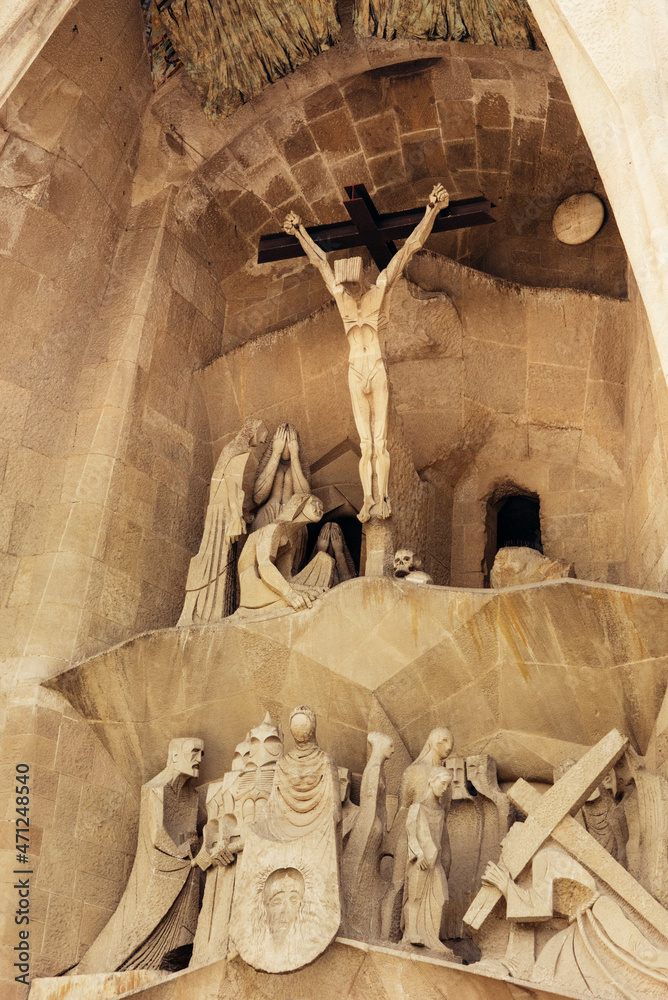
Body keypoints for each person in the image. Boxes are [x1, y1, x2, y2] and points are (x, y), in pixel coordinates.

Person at [284, 184, 450, 524]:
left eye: (350, 285)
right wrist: (299, 231)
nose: (346, 291)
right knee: (364, 441)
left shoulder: (379, 291)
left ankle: (383, 498)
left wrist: (431, 210)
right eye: (344, 288)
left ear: (361, 279)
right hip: (355, 371)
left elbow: (410, 248)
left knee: (379, 441)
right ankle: (368, 500)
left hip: (375, 368)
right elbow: (319, 261)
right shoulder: (342, 298)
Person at [73, 738, 224, 974]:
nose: (199, 759)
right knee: (143, 921)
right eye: (193, 752)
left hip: (185, 872)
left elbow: (188, 834)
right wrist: (188, 855)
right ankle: (118, 965)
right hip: (161, 873)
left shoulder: (192, 796)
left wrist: (196, 849)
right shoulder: (155, 789)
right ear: (174, 756)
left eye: (202, 753)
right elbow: (158, 837)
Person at [380, 726, 454, 941]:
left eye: (451, 743)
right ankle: (391, 934)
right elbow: (404, 806)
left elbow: (445, 812)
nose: (448, 747)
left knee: (439, 881)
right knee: (401, 885)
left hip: (437, 834)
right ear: (432, 741)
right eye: (443, 741)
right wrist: (397, 839)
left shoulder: (446, 778)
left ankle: (428, 933)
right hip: (412, 833)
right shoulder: (413, 771)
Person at [236, 493, 325, 615]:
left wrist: (309, 589)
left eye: (321, 507)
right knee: (303, 604)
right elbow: (264, 565)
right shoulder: (272, 529)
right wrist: (289, 594)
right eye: (314, 503)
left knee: (316, 589)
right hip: (253, 584)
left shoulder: (292, 537)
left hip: (270, 583)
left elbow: (286, 577)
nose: (319, 509)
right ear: (300, 504)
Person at [402, 768, 453, 952]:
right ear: (431, 781)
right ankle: (412, 933)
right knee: (415, 897)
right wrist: (418, 854)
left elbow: (442, 840)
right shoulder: (418, 807)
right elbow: (411, 832)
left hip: (435, 862)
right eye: (442, 783)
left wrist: (445, 860)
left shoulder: (439, 811)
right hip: (421, 862)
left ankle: (432, 939)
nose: (445, 788)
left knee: (440, 898)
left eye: (448, 785)